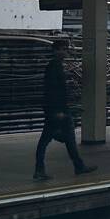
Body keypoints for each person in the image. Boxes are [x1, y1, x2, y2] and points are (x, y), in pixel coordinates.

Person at [34, 38, 98, 180]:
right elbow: (52, 91)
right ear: (55, 51)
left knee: (68, 139)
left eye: (65, 49)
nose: (64, 52)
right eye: (61, 49)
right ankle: (40, 170)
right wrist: (57, 111)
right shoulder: (53, 67)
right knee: (46, 140)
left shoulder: (57, 66)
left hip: (60, 109)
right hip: (57, 110)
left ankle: (78, 166)